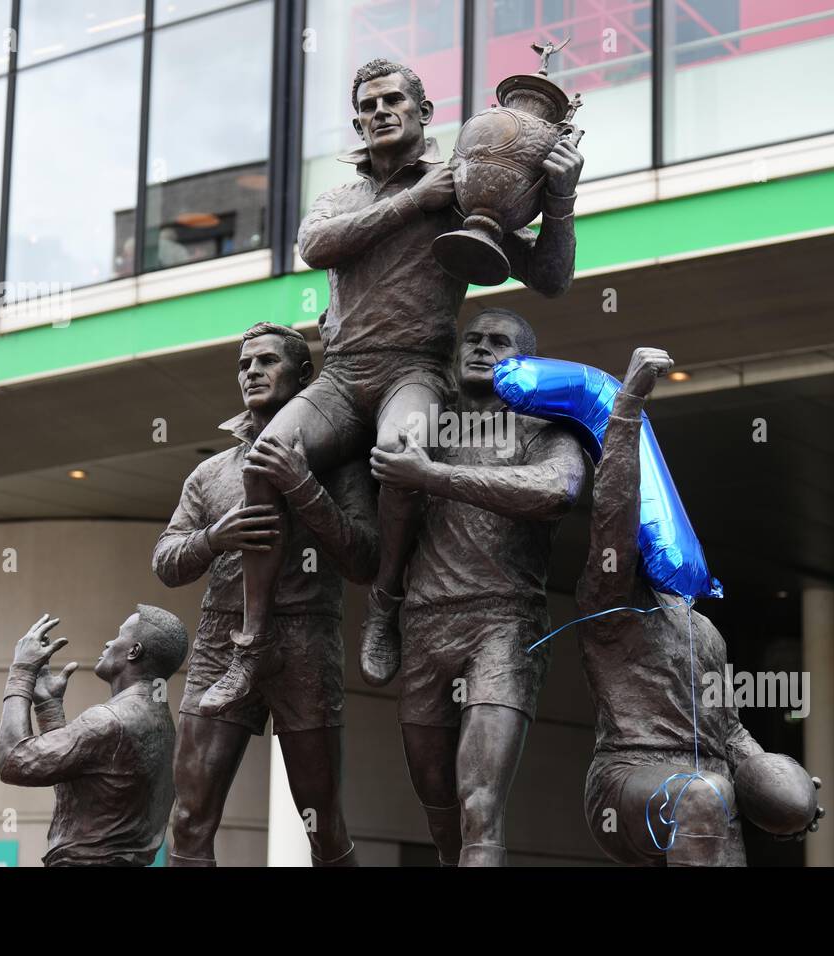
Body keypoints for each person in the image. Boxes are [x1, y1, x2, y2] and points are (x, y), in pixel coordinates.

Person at [200, 56, 583, 712]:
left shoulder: (461, 183)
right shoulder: (342, 196)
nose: (378, 112)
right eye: (367, 105)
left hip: (414, 369)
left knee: (405, 453)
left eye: (392, 101)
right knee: (266, 460)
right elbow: (314, 248)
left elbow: (548, 276)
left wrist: (561, 201)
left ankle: (384, 603)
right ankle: (253, 637)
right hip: (343, 374)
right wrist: (412, 203)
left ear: (425, 114)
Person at [575, 347, 823, 866]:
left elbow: (727, 729)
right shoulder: (612, 602)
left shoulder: (704, 629)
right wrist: (627, 409)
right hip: (626, 780)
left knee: (714, 797)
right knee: (705, 794)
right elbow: (613, 514)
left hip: (708, 786)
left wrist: (780, 786)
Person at [153, 322, 377, 867]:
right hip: (221, 640)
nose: (251, 371)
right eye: (244, 364)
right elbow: (165, 562)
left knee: (322, 825)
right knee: (188, 818)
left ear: (305, 376)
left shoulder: (341, 464)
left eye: (267, 361)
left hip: (306, 637)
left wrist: (303, 484)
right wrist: (214, 537)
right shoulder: (210, 474)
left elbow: (365, 559)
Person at [370, 307, 586, 866]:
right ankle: (380, 605)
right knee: (437, 803)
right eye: (472, 339)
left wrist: (434, 477)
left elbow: (557, 491)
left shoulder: (546, 430)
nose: (482, 348)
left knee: (479, 801)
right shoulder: (428, 426)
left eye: (499, 342)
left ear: (528, 362)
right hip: (423, 623)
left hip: (503, 623)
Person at [0, 606, 188, 867]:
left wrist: (21, 672)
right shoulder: (161, 725)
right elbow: (81, 788)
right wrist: (49, 707)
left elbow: (13, 761)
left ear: (134, 651)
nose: (109, 642)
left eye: (119, 635)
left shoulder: (111, 720)